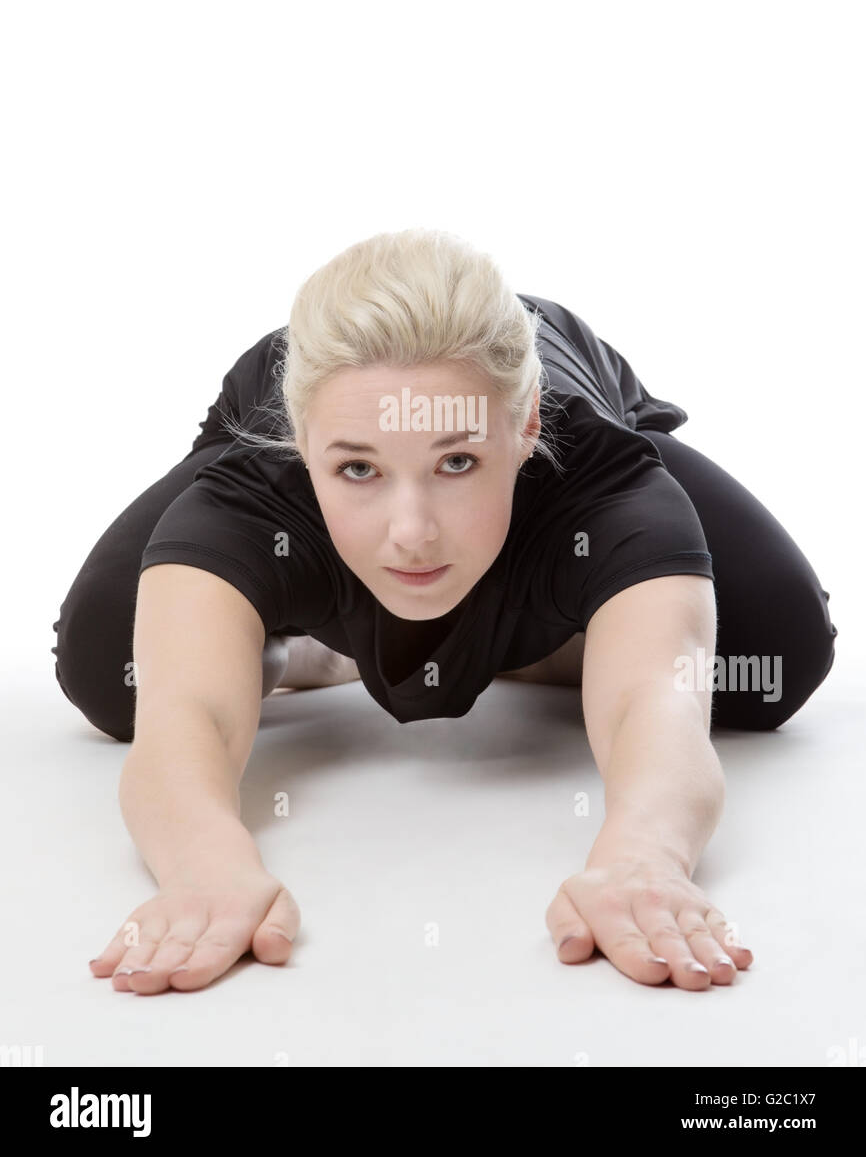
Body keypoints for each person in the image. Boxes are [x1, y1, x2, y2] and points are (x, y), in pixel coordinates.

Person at [51, 229, 837, 996]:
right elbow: (185, 715)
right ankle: (318, 647)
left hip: (551, 415)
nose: (412, 530)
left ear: (525, 425)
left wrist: (643, 856)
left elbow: (655, 705)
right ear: (299, 444)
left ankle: (562, 625)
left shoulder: (604, 489)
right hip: (298, 421)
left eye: (456, 462)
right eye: (358, 469)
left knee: (772, 664)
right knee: (108, 675)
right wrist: (205, 863)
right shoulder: (256, 491)